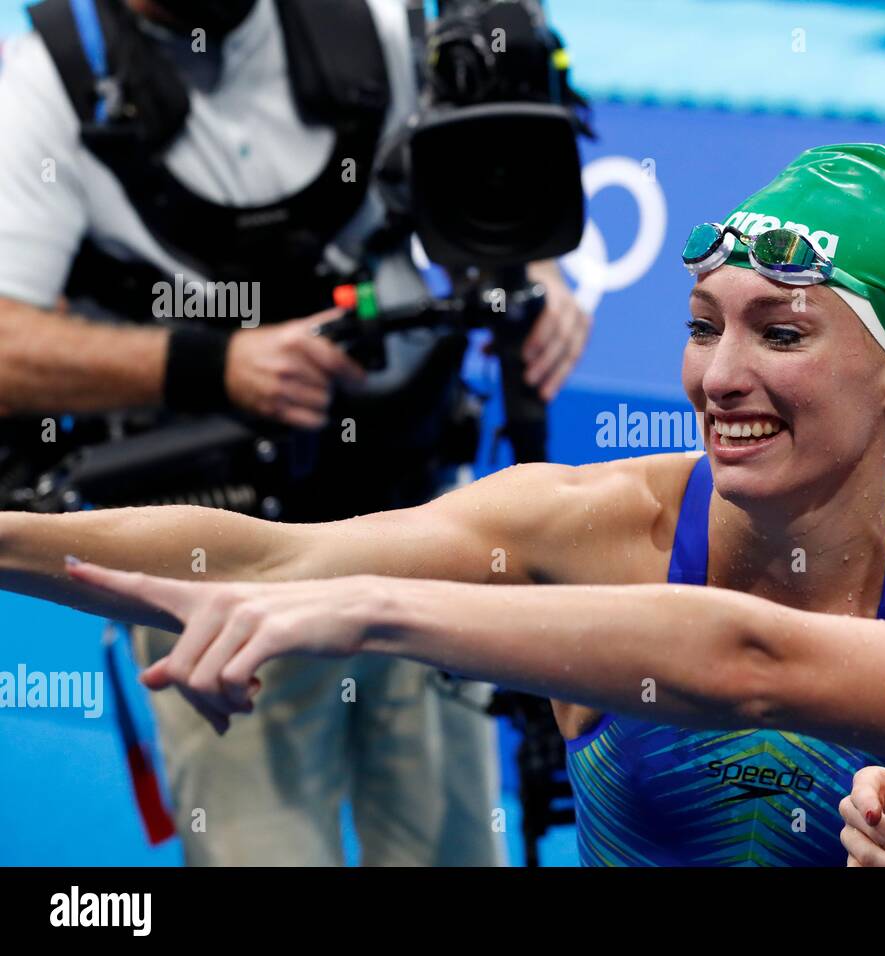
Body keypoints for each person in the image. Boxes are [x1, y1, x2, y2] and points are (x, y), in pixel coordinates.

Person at [48, 182, 885, 866]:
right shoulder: (579, 519)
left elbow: (751, 663)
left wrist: (365, 607)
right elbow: (268, 554)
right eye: (704, 326)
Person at [0, 0, 590, 865]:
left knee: (457, 851)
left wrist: (530, 272)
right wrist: (213, 364)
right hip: (212, 572)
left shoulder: (379, 24)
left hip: (419, 538)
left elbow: (494, 154)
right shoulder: (49, 80)